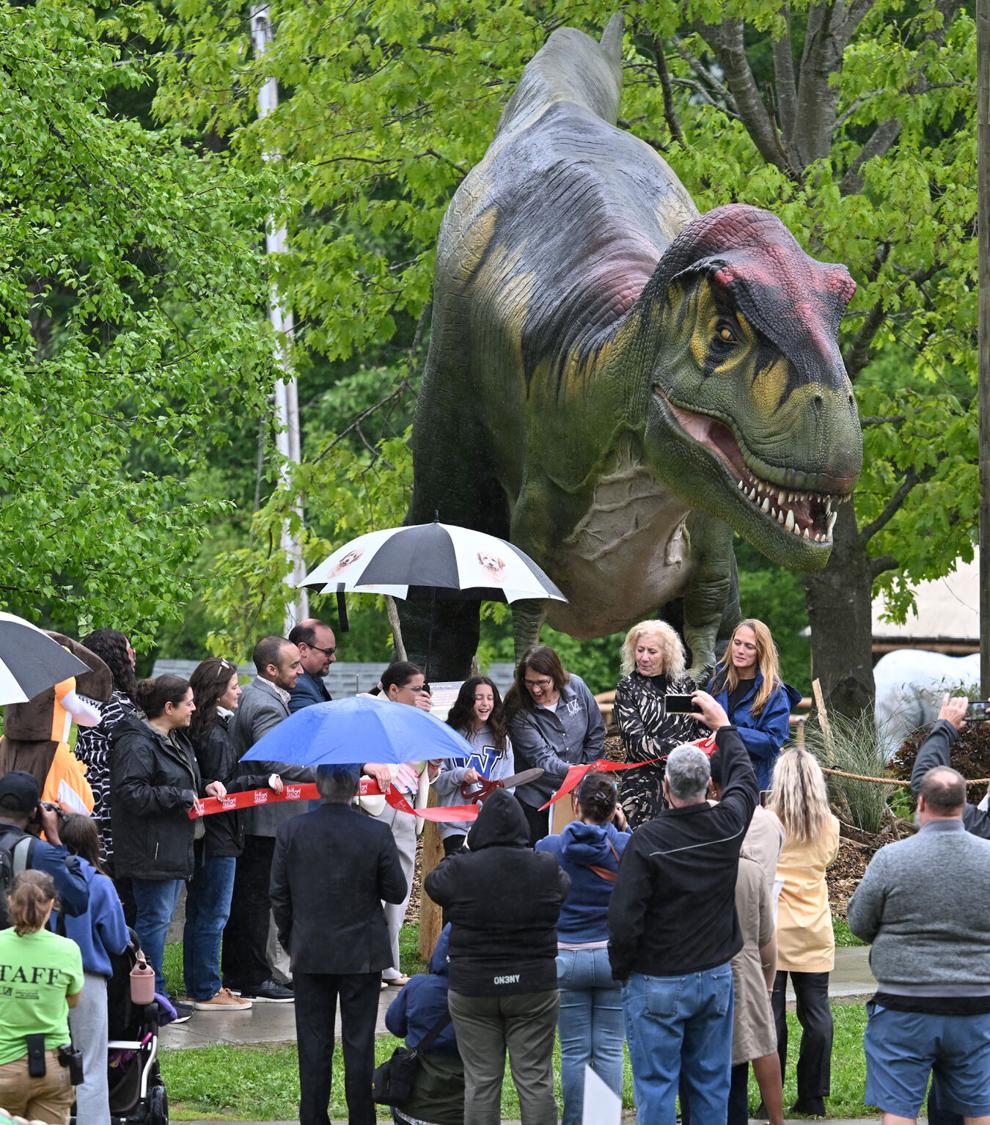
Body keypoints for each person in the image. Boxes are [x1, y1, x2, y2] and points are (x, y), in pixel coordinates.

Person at [607, 690, 759, 1124]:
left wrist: (623, 968)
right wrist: (723, 726)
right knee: (711, 1085)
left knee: (656, 1090)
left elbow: (624, 919)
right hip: (712, 976)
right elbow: (745, 782)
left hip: (657, 979)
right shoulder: (726, 826)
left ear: (665, 786)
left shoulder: (648, 840)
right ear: (708, 786)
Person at [848, 765, 990, 1125]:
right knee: (980, 1109)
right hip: (976, 1006)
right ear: (964, 805)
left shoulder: (891, 859)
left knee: (898, 1109)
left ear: (921, 803)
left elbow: (860, 924)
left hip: (904, 1006)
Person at [270, 763, 407, 1125]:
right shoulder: (375, 832)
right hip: (361, 951)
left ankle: (313, 1118)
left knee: (313, 1044)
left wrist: (289, 936)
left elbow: (279, 894)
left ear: (318, 786)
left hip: (310, 948)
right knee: (359, 1043)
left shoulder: (291, 830)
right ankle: (361, 1118)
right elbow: (396, 890)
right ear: (355, 790)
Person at [425, 788, 568, 1125]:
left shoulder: (463, 869)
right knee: (534, 1080)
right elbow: (564, 889)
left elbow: (435, 884)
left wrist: (464, 849)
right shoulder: (544, 867)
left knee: (481, 1083)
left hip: (474, 987)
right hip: (533, 985)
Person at [110, 675, 226, 1002]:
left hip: (174, 846)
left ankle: (153, 992)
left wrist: (205, 787)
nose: (194, 707)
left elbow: (183, 780)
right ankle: (152, 995)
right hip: (151, 851)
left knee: (157, 921)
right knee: (154, 922)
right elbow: (131, 793)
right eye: (188, 702)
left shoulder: (177, 738)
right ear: (168, 707)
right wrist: (179, 796)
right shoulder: (136, 742)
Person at [185, 657, 284, 1012]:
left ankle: (201, 983)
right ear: (216, 693)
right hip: (219, 835)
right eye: (233, 686)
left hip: (213, 834)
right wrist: (261, 780)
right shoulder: (214, 734)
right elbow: (223, 786)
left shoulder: (209, 728)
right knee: (213, 913)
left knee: (202, 913)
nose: (239, 691)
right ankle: (208, 987)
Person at [535, 772, 630, 1125]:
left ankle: (576, 1121)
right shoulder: (624, 846)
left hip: (566, 957)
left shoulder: (548, 848)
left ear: (576, 805)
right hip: (610, 957)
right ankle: (603, 1121)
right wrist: (623, 826)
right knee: (608, 1050)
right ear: (612, 810)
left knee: (575, 1051)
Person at [223, 635, 310, 1004]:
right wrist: (326, 773)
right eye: (293, 665)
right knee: (256, 901)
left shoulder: (262, 698)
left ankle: (251, 973)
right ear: (271, 670)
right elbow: (276, 761)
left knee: (255, 899)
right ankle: (252, 977)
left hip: (264, 818)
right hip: (264, 820)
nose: (301, 670)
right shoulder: (265, 705)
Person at [766, 748, 840, 1118]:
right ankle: (813, 1096)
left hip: (774, 928)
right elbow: (826, 861)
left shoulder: (766, 820)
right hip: (814, 926)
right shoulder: (830, 823)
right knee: (817, 1013)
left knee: (773, 1015)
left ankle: (771, 1097)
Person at [361, 662, 439, 988]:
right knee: (369, 889)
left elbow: (422, 770)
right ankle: (367, 964)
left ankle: (389, 964)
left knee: (400, 889)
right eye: (415, 689)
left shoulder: (420, 720)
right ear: (393, 690)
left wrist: (431, 768)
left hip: (407, 810)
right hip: (376, 807)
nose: (422, 695)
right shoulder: (368, 711)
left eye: (424, 689)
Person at [52, 815, 129, 1125]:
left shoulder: (44, 879)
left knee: (46, 1058)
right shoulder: (99, 883)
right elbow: (118, 941)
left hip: (47, 976)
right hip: (87, 978)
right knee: (90, 1063)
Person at [0, 871, 84, 1125]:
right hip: (53, 1064)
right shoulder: (68, 949)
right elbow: (72, 1000)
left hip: (4, 1063)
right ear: (51, 904)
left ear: (10, 901)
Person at [506, 645, 605, 845]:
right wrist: (574, 772)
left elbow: (596, 731)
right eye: (529, 682)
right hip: (538, 798)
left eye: (542, 682)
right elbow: (541, 757)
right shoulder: (519, 711)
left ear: (556, 676)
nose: (535, 689)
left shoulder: (576, 687)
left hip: (579, 793)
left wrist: (585, 771)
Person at [613, 619, 705, 826]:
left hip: (685, 786)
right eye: (640, 650)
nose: (644, 658)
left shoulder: (686, 684)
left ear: (667, 653)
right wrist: (686, 751)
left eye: (652, 651)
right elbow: (637, 745)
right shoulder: (627, 689)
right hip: (643, 792)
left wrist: (691, 752)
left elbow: (703, 729)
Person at [707, 619, 801, 791]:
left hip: (755, 782)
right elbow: (707, 728)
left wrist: (729, 731)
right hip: (717, 781)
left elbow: (772, 742)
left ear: (761, 651)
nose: (740, 651)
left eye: (749, 646)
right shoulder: (717, 684)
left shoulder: (775, 693)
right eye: (737, 643)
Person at [384, 925, 464, 1125]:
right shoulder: (481, 997)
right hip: (459, 1113)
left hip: (411, 1110)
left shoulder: (418, 985)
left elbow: (394, 1025)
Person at [73, 628, 138, 869]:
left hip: (88, 800)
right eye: (130, 650)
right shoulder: (116, 704)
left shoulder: (86, 697)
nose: (134, 656)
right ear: (118, 657)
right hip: (111, 809)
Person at [436, 676, 515, 854]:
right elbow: (438, 784)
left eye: (490, 698)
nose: (485, 703)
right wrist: (460, 775)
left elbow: (508, 787)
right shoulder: (448, 736)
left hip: (489, 824)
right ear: (467, 700)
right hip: (455, 824)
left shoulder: (502, 740)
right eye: (479, 697)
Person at [0, 772, 89, 920]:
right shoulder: (40, 852)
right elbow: (78, 900)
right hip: (19, 939)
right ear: (35, 811)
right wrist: (55, 840)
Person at [287, 619, 336, 712]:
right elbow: (315, 725)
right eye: (328, 652)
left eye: (333, 651)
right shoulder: (297, 686)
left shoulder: (312, 681)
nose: (333, 658)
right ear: (303, 649)